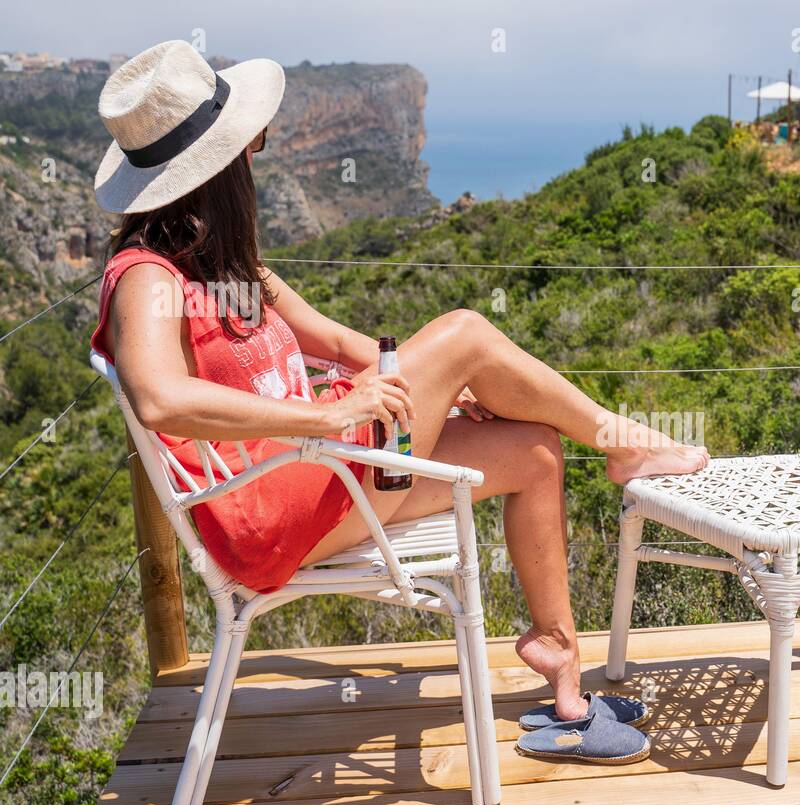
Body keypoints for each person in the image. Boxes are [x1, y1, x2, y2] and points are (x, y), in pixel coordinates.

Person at [90, 41, 709, 765]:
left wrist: (452, 391)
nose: (256, 157)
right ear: (219, 170)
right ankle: (620, 439)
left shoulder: (230, 267)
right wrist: (328, 415)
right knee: (466, 332)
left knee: (534, 450)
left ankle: (563, 670)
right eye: (249, 146)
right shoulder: (145, 277)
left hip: (327, 472)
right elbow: (160, 398)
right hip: (269, 508)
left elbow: (348, 347)